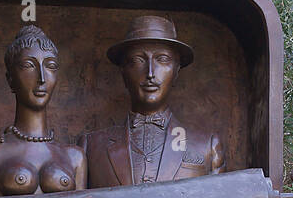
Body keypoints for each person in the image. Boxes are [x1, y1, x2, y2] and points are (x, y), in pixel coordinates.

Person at [79, 15, 224, 188]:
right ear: (123, 73)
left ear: (176, 72)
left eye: (162, 59)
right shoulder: (92, 146)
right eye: (138, 60)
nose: (150, 73)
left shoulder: (207, 145)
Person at [0, 25, 86, 198]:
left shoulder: (75, 156)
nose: (41, 78)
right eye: (28, 65)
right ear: (10, 79)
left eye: (50, 66)